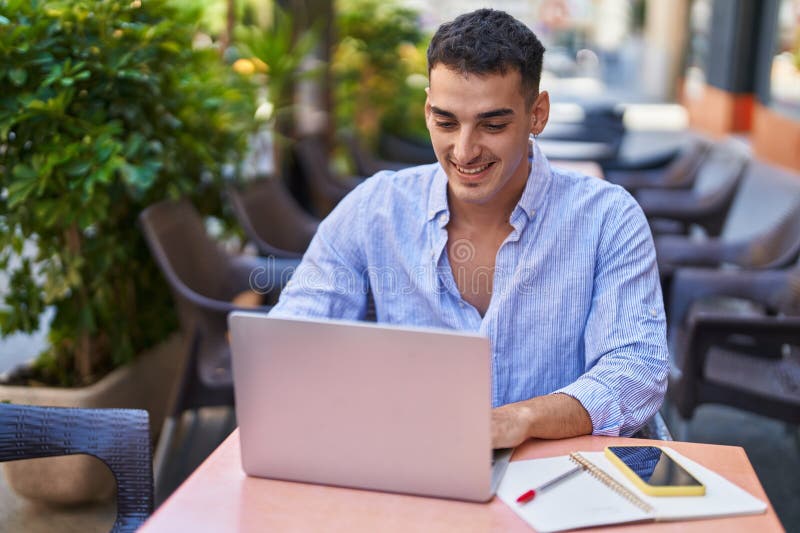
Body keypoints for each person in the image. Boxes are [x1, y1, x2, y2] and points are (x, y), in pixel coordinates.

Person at [269, 8, 668, 448]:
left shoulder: (608, 219)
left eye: (493, 124)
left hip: (556, 478)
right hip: (419, 466)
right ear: (427, 110)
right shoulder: (375, 209)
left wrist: (524, 418)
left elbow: (637, 370)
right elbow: (294, 338)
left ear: (538, 115)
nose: (464, 150)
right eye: (445, 121)